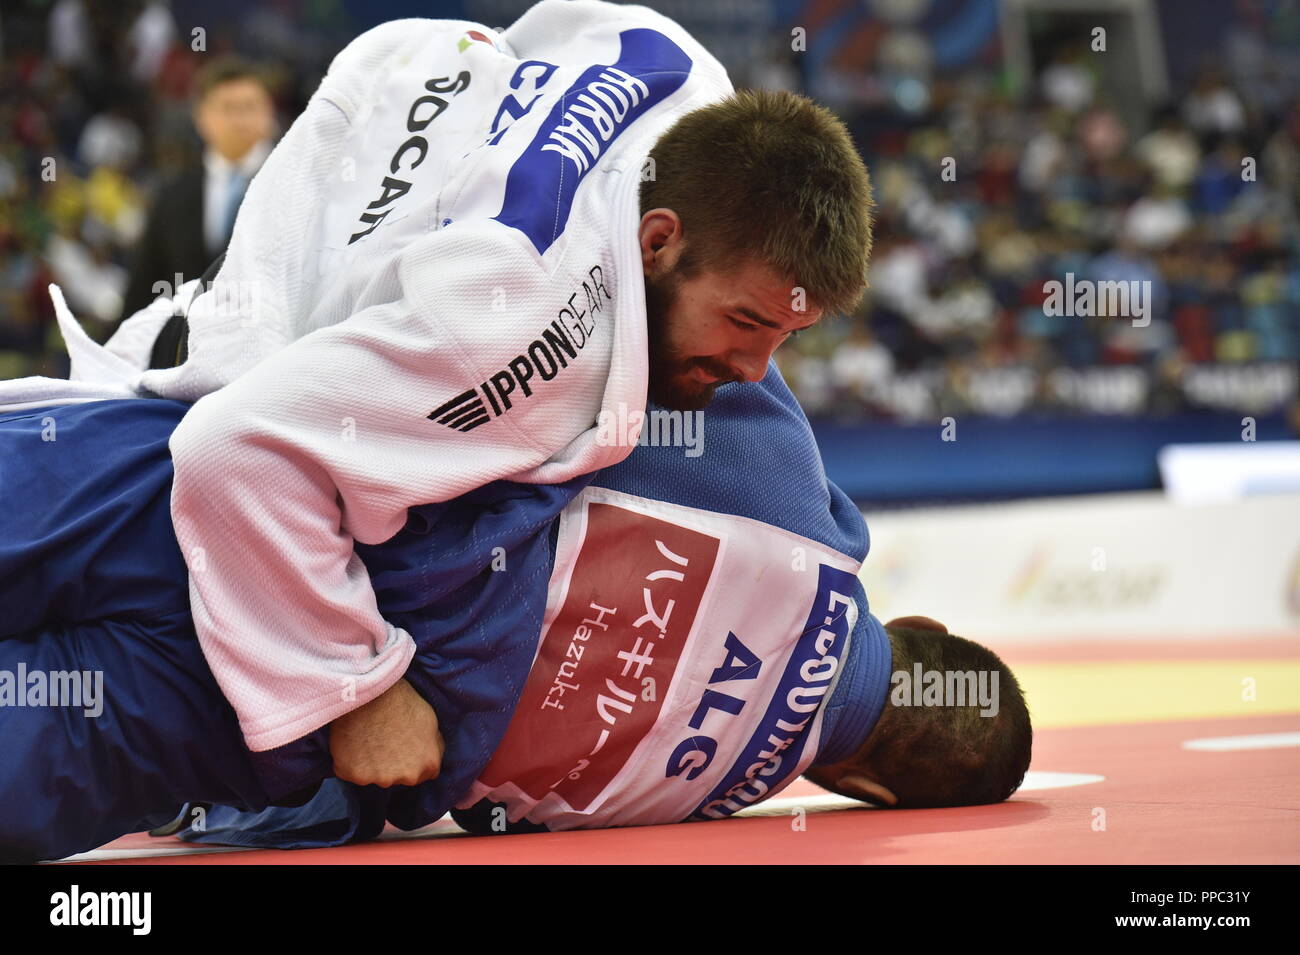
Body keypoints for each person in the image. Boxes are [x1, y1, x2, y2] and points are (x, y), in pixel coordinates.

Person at [0, 0, 876, 793]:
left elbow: (531, 39)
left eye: (786, 336)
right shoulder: (529, 346)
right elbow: (229, 449)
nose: (759, 369)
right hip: (263, 309)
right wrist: (355, 688)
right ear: (658, 240)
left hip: (411, 79)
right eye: (745, 321)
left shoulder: (683, 72)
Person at [0, 361, 1031, 861]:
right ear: (862, 786)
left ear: (921, 630)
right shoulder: (666, 810)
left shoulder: (778, 461)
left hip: (211, 506)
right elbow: (408, 797)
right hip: (224, 723)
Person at [116, 57, 276, 325]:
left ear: (269, 112)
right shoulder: (171, 196)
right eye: (227, 108)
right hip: (188, 351)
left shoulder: (298, 184)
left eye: (250, 107)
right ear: (201, 117)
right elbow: (142, 288)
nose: (240, 119)